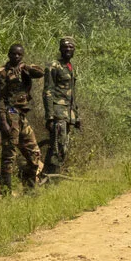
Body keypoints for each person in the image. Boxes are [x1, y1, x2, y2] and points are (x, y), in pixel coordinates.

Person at [0, 43, 47, 191]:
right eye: (13, 54)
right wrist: (3, 121)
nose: (16, 56)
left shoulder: (24, 70)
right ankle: (6, 192)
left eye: (19, 54)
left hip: (22, 116)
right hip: (10, 115)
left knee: (34, 153)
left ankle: (29, 188)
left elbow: (40, 73)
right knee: (9, 155)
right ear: (9, 55)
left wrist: (24, 67)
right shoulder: (2, 73)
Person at [42, 35, 81, 175]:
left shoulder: (70, 67)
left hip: (68, 113)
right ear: (60, 49)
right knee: (58, 146)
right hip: (58, 112)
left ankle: (50, 175)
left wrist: (76, 116)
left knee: (63, 146)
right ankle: (51, 177)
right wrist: (49, 116)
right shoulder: (54, 66)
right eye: (65, 47)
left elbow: (72, 94)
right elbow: (48, 91)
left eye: (71, 47)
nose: (68, 49)